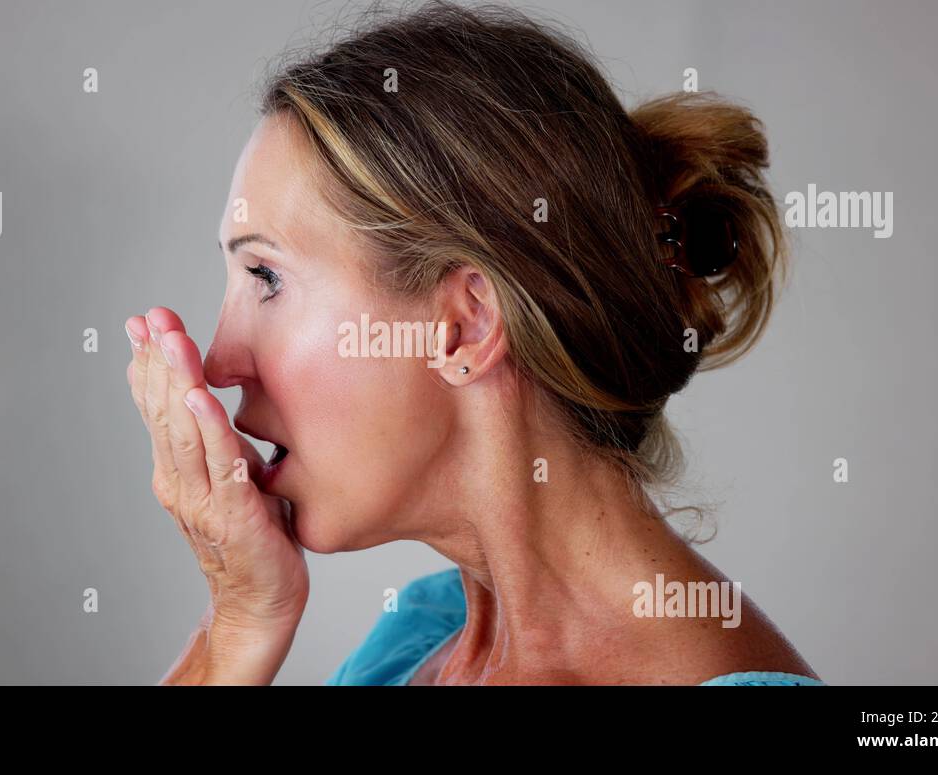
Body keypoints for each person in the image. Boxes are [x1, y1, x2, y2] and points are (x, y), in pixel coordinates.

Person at [122, 1, 822, 686]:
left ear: (467, 326)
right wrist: (239, 624)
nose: (218, 362)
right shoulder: (418, 636)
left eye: (266, 277)